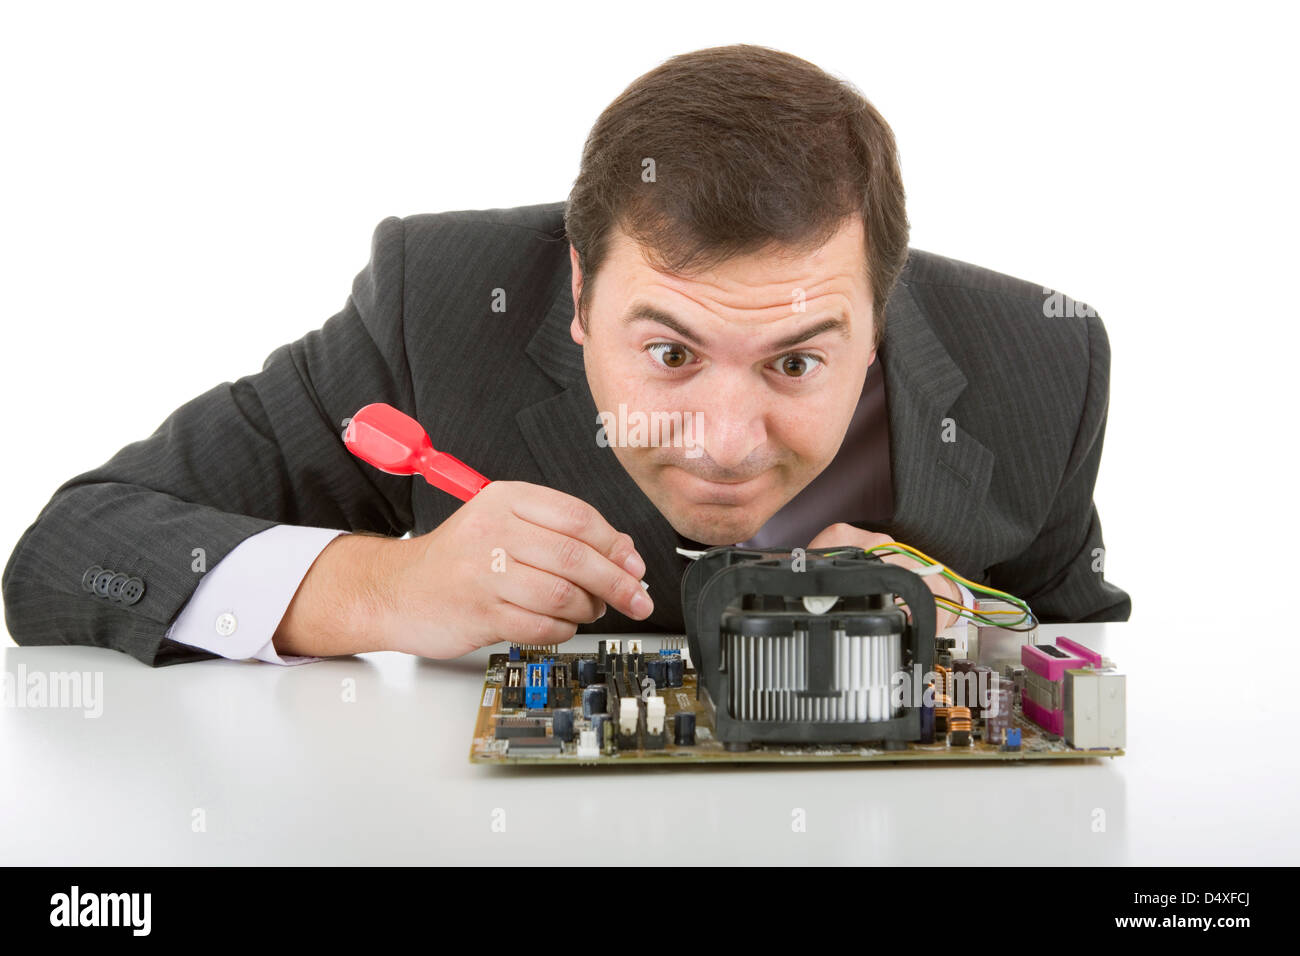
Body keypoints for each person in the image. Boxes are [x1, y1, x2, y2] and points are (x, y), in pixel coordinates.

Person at [1, 44, 1130, 668]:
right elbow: (70, 548)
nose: (726, 445)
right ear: (581, 294)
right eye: (671, 351)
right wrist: (382, 584)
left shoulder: (1041, 367)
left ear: (877, 317)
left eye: (795, 363)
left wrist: (965, 616)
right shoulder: (439, 308)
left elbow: (1076, 663)